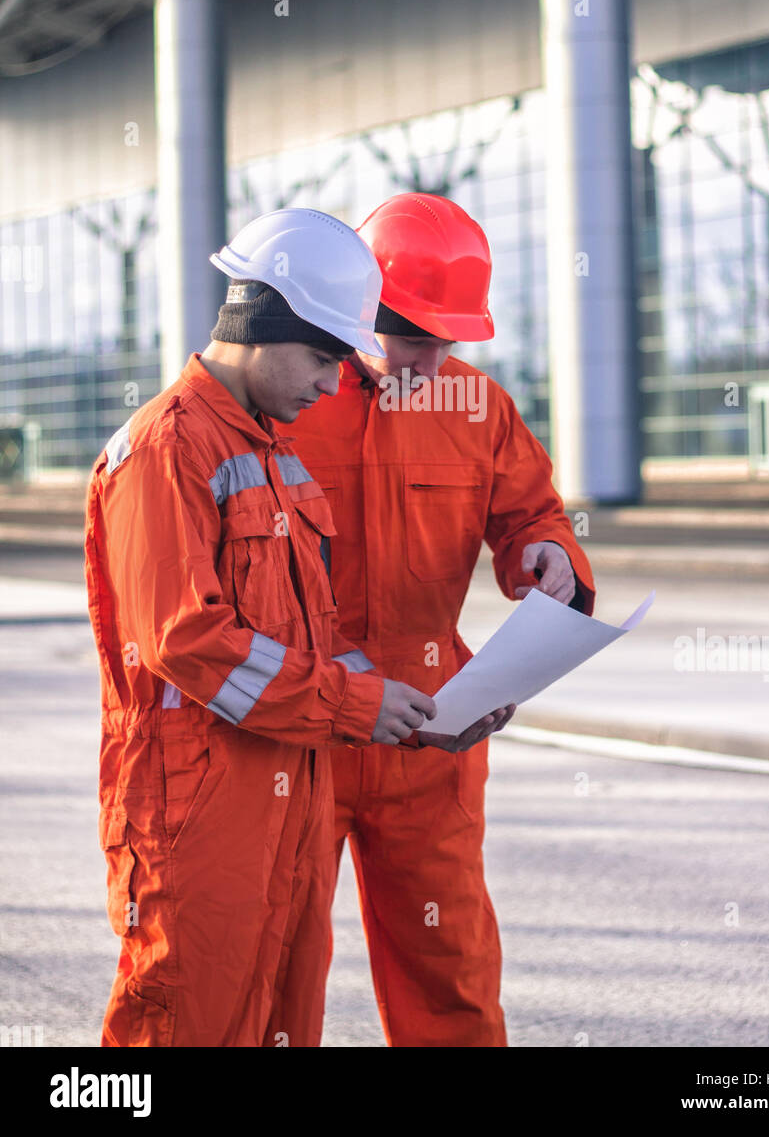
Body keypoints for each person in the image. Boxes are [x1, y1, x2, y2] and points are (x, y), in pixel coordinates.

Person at [84, 208, 440, 1048]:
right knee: (180, 1030)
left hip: (287, 803)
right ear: (260, 326)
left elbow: (303, 636)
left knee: (282, 1029)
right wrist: (354, 705)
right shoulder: (168, 448)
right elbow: (187, 641)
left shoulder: (275, 454)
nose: (330, 385)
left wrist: (419, 707)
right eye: (321, 358)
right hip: (196, 817)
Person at [275, 192, 596, 1047]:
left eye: (448, 337)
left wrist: (548, 553)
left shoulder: (478, 408)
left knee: (448, 966)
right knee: (276, 964)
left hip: (430, 729)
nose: (432, 356)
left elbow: (533, 514)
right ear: (360, 308)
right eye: (415, 334)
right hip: (299, 731)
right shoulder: (287, 398)